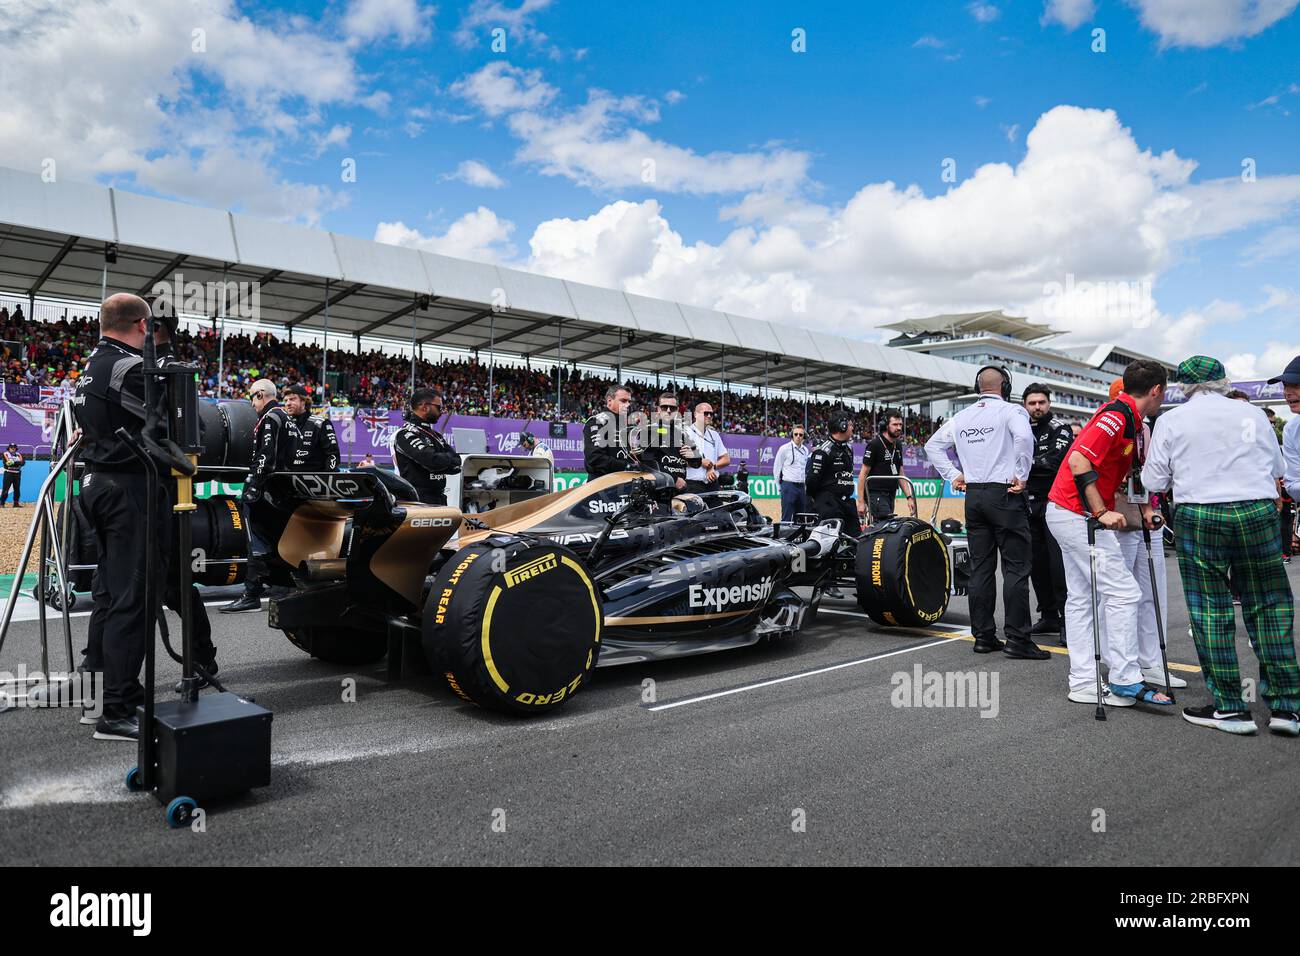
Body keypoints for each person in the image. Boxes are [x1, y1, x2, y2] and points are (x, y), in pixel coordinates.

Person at [73, 293, 218, 740]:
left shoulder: (91, 365)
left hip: (97, 485)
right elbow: (168, 432)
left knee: (108, 592)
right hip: (128, 490)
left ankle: (100, 685)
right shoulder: (132, 368)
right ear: (140, 325)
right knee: (132, 600)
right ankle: (115, 710)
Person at [1143, 356, 1298, 736]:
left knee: (1210, 609)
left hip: (1201, 513)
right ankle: (1286, 708)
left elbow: (1153, 479)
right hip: (1256, 509)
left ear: (1184, 387)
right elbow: (1278, 468)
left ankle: (1230, 707)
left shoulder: (1172, 420)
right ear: (1223, 381)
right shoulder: (1253, 415)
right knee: (1269, 605)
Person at [1045, 360, 1173, 707]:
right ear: (1156, 390)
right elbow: (1078, 462)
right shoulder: (1116, 416)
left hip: (1071, 513)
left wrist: (1145, 510)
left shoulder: (1132, 421)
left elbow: (1129, 472)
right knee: (1124, 593)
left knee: (1083, 598)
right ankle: (1124, 679)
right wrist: (1101, 511)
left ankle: (1084, 681)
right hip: (1076, 514)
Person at [926, 367, 1046, 659]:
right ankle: (1018, 639)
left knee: (981, 568)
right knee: (1016, 568)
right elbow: (1024, 439)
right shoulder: (1011, 411)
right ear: (1005, 386)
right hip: (1004, 494)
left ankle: (983, 636)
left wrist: (954, 475)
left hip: (974, 495)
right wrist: (1021, 473)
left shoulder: (962, 416)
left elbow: (932, 445)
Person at [1101, 379, 1185, 691]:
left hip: (1148, 514)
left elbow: (1153, 473)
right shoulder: (1112, 423)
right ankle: (1119, 659)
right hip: (1120, 517)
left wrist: (1151, 504)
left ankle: (1151, 662)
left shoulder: (1149, 429)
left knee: (1152, 591)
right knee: (1119, 593)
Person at [221, 379, 294, 613]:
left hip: (268, 490)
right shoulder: (287, 417)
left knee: (256, 542)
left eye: (252, 396)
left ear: (261, 394)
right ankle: (282, 588)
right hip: (285, 491)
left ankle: (251, 594)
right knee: (276, 541)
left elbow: (265, 455)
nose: (251, 403)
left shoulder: (271, 417)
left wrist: (253, 484)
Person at [1023, 384, 1072, 642]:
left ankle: (1067, 621)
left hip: (1055, 503)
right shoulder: (1020, 428)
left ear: (1049, 404)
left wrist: (1025, 465)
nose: (1037, 407)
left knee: (1058, 565)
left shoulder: (1060, 428)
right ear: (1025, 406)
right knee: (1036, 563)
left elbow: (1056, 460)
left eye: (1041, 402)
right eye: (1032, 403)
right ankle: (1049, 615)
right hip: (1027, 504)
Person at [391, 388, 461, 504]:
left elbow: (457, 463)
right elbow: (432, 461)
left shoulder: (436, 435)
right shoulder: (405, 434)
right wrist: (445, 459)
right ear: (424, 407)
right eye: (439, 407)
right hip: (415, 501)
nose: (442, 411)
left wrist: (440, 460)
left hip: (440, 499)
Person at [857, 410, 916, 524]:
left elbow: (900, 473)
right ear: (885, 425)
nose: (898, 428)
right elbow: (863, 473)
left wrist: (909, 497)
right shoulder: (874, 444)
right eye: (895, 424)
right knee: (885, 524)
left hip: (891, 493)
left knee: (883, 526)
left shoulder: (898, 444)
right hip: (875, 493)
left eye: (900, 425)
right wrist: (860, 502)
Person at [806, 415, 858, 533]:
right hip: (829, 503)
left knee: (856, 541)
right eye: (850, 425)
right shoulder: (823, 450)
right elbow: (811, 482)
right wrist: (822, 500)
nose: (852, 428)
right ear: (842, 426)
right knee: (831, 542)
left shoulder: (849, 449)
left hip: (848, 502)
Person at [638, 393, 694, 490]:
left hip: (680, 487)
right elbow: (647, 462)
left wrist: (692, 456)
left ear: (676, 411)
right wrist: (674, 479)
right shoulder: (648, 431)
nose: (668, 411)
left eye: (672, 408)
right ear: (659, 410)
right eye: (664, 407)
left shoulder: (681, 433)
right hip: (659, 488)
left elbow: (697, 462)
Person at [583, 384, 638, 478]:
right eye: (623, 401)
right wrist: (626, 466)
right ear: (609, 401)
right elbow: (595, 458)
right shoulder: (598, 422)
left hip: (627, 483)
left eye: (629, 401)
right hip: (603, 484)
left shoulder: (629, 426)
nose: (628, 404)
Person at [283, 384, 340, 472]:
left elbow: (333, 456)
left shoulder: (321, 423)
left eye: (292, 399)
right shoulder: (285, 425)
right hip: (289, 480)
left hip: (315, 481)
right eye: (286, 400)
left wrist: (325, 479)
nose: (288, 403)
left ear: (303, 401)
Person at [684, 401, 729, 493]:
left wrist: (712, 467)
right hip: (692, 483)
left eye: (711, 414)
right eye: (705, 413)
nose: (709, 416)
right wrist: (699, 462)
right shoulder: (685, 432)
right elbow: (676, 460)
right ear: (695, 414)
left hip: (712, 483)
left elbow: (726, 459)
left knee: (719, 507)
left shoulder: (714, 435)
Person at [772, 425, 811, 521]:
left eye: (801, 435)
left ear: (804, 437)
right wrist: (778, 486)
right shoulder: (784, 449)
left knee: (801, 516)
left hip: (801, 487)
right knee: (787, 516)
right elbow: (777, 468)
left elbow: (805, 469)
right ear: (792, 435)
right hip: (788, 485)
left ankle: (800, 536)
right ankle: (785, 536)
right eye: (796, 434)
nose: (798, 436)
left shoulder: (805, 450)